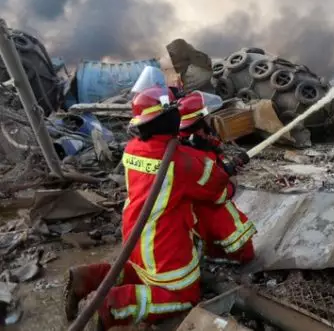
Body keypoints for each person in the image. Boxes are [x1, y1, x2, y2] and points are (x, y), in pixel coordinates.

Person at [64, 86, 242, 329]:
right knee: (183, 295)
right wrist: (228, 174)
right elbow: (218, 190)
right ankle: (110, 306)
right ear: (171, 118)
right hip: (164, 249)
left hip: (135, 237)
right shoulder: (184, 161)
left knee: (136, 272)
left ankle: (86, 277)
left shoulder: (133, 148)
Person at [177, 91, 257, 264]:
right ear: (196, 124)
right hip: (211, 209)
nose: (208, 123)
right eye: (204, 119)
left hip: (205, 208)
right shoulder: (192, 156)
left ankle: (213, 253)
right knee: (245, 252)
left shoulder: (194, 143)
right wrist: (230, 184)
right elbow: (215, 192)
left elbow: (213, 156)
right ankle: (221, 259)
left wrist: (229, 164)